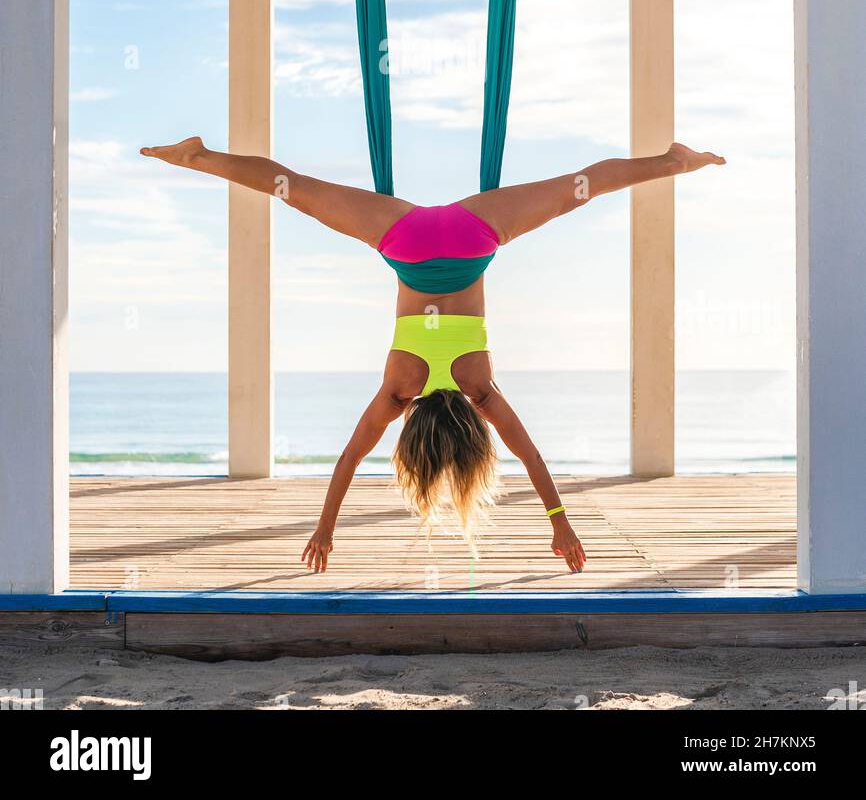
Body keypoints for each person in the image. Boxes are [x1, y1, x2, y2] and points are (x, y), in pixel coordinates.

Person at [142, 137, 724, 574]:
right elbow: (347, 460)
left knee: (581, 185)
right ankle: (201, 157)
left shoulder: (482, 391)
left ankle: (674, 161)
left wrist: (561, 525)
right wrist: (325, 531)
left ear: (471, 430)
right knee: (291, 187)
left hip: (475, 235)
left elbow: (531, 458)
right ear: (414, 431)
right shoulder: (399, 390)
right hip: (406, 241)